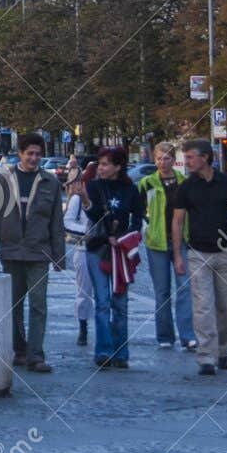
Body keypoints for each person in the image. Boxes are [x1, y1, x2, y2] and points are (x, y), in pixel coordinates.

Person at [0, 132, 65, 374]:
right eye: (30, 153)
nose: (34, 158)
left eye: (38, 154)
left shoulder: (50, 182)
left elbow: (56, 223)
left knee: (39, 305)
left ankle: (36, 355)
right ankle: (20, 350)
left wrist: (59, 256)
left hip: (39, 253)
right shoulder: (3, 180)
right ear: (20, 154)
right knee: (14, 306)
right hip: (11, 251)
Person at [172, 138, 227, 376]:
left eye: (191, 157)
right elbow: (177, 221)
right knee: (203, 307)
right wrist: (178, 254)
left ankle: (223, 350)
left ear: (205, 157)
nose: (187, 162)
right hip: (198, 253)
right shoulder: (185, 186)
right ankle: (206, 356)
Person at [84, 147, 144, 369]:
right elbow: (94, 215)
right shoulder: (93, 187)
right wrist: (86, 201)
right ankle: (104, 350)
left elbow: (138, 219)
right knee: (102, 301)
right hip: (98, 248)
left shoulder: (130, 190)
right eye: (100, 163)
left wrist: (126, 237)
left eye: (106, 164)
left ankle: (121, 351)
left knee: (120, 302)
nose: (101, 167)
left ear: (118, 167)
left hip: (121, 250)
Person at [138, 141, 196, 351]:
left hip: (181, 241)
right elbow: (137, 209)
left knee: (185, 288)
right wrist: (147, 226)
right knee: (162, 291)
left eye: (167, 158)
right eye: (159, 159)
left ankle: (188, 335)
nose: (163, 162)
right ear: (154, 160)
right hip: (157, 242)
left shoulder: (184, 182)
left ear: (174, 160)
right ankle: (164, 335)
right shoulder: (147, 183)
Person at [63, 164, 95, 348]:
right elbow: (67, 222)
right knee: (84, 292)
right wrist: (88, 231)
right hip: (83, 249)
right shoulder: (77, 198)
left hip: (103, 250)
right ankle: (83, 326)